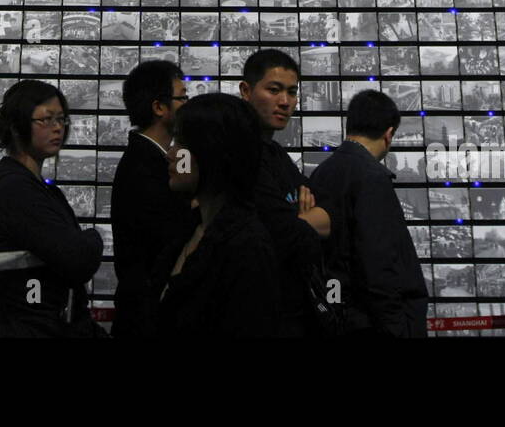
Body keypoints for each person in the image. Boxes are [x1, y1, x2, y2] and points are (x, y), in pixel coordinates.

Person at [0, 80, 104, 337]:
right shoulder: (16, 190)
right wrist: (93, 238)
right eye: (46, 120)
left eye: (61, 120)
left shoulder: (32, 186)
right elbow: (77, 258)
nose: (57, 128)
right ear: (18, 125)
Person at [149, 93, 279, 337]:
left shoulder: (248, 248)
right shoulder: (189, 227)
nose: (170, 153)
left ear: (210, 152)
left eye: (180, 142)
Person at [308, 90, 428, 337]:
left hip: (334, 315)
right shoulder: (372, 177)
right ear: (389, 134)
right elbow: (379, 262)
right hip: (370, 323)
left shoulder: (322, 172)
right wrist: (399, 329)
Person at [238, 48, 333, 337]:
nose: (285, 102)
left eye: (292, 92)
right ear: (246, 91)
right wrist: (301, 220)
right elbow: (286, 235)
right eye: (274, 90)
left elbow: (328, 213)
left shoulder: (276, 153)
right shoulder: (242, 154)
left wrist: (297, 222)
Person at [110, 60, 195, 337]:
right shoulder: (145, 168)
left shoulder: (147, 159)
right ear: (159, 107)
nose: (189, 105)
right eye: (183, 97)